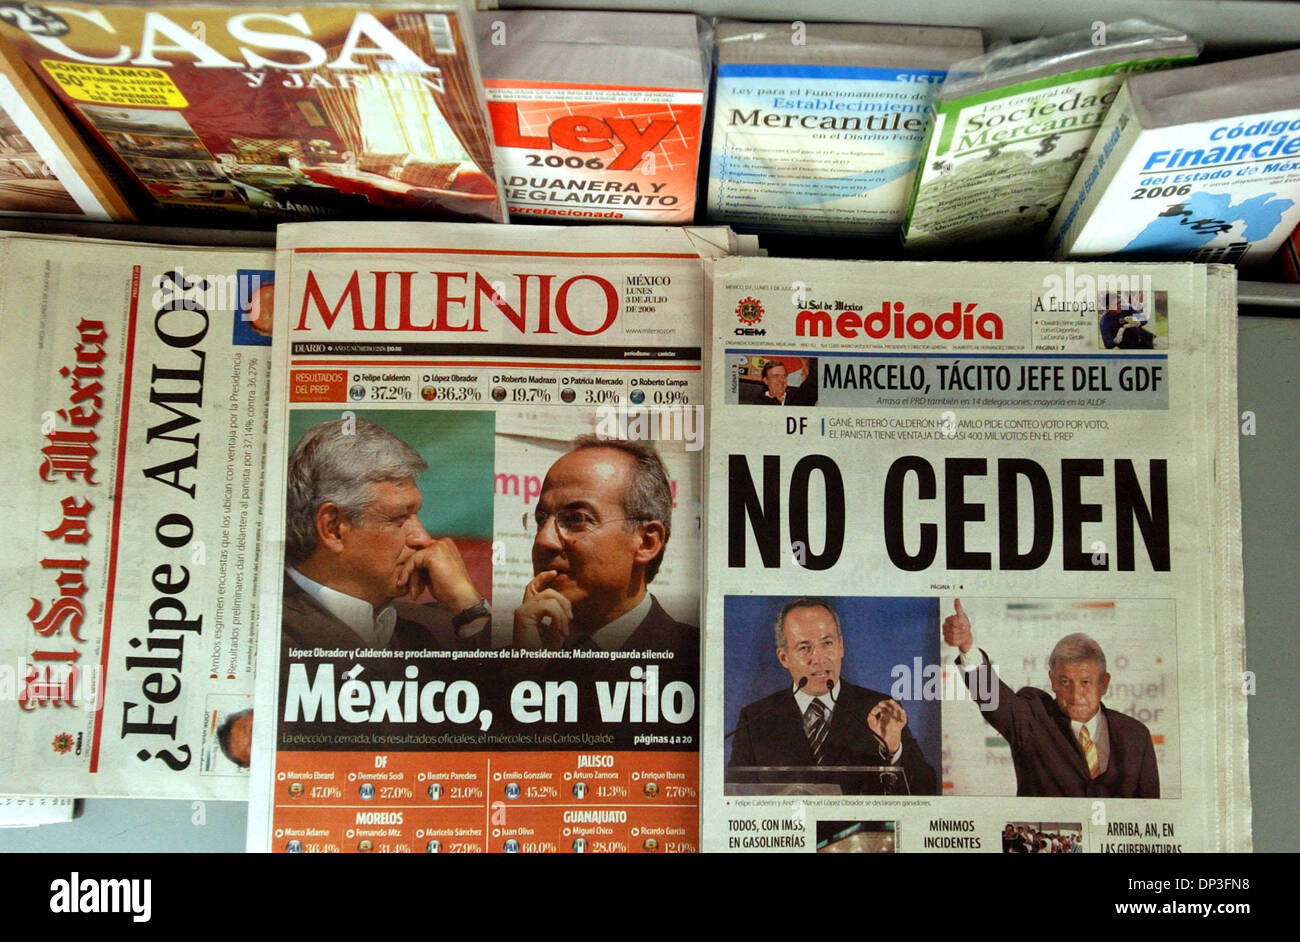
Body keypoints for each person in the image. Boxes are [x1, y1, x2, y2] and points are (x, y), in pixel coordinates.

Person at [282, 417, 490, 651]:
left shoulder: (445, 624)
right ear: (333, 528)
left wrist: (469, 605)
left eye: (415, 515)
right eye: (398, 518)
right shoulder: (268, 634)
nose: (423, 538)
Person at [943, 599, 1159, 798]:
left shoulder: (1136, 736)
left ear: (1104, 683)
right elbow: (996, 700)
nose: (1075, 695)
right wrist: (968, 648)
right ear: (1053, 681)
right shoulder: (1032, 720)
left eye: (1085, 682)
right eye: (1065, 682)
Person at [727, 599, 937, 795]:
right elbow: (736, 796)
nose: (818, 658)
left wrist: (893, 749)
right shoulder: (755, 720)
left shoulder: (880, 710)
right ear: (784, 657)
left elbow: (925, 789)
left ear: (841, 647)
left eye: (827, 644)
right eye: (804, 648)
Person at [512, 436, 696, 657]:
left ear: (646, 543)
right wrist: (523, 674)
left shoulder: (696, 658)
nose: (543, 540)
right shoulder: (516, 663)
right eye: (541, 519)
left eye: (576, 518)